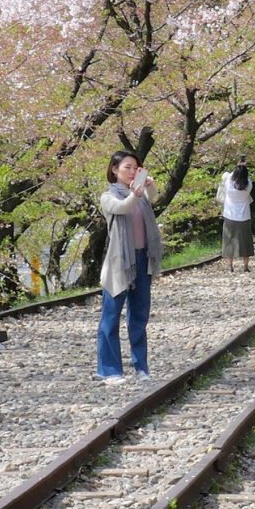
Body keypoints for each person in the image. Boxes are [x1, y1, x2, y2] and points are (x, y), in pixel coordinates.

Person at [96, 150, 163, 385]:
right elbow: (122, 207)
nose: (133, 171)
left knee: (139, 316)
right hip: (119, 263)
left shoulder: (141, 195)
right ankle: (109, 370)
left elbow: (152, 197)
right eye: (127, 167)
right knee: (111, 316)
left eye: (136, 167)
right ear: (114, 170)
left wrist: (149, 185)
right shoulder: (108, 196)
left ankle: (141, 367)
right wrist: (136, 193)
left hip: (143, 259)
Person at [218, 164, 254, 273]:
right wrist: (243, 167)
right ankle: (245, 266)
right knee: (246, 242)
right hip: (244, 217)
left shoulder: (229, 185)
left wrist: (238, 166)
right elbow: (247, 178)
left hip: (230, 216)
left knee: (229, 241)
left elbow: (226, 175)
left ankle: (230, 266)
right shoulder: (248, 186)